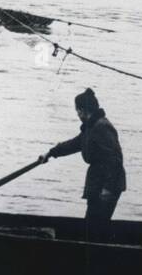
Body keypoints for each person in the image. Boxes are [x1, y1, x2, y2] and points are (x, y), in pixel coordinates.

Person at [41, 88, 126, 236]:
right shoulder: (91, 127)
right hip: (97, 182)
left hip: (107, 183)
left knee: (96, 225)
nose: (78, 115)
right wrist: (51, 153)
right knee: (92, 224)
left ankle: (95, 252)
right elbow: (75, 144)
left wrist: (108, 188)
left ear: (83, 110)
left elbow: (114, 160)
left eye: (77, 111)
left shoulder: (101, 127)